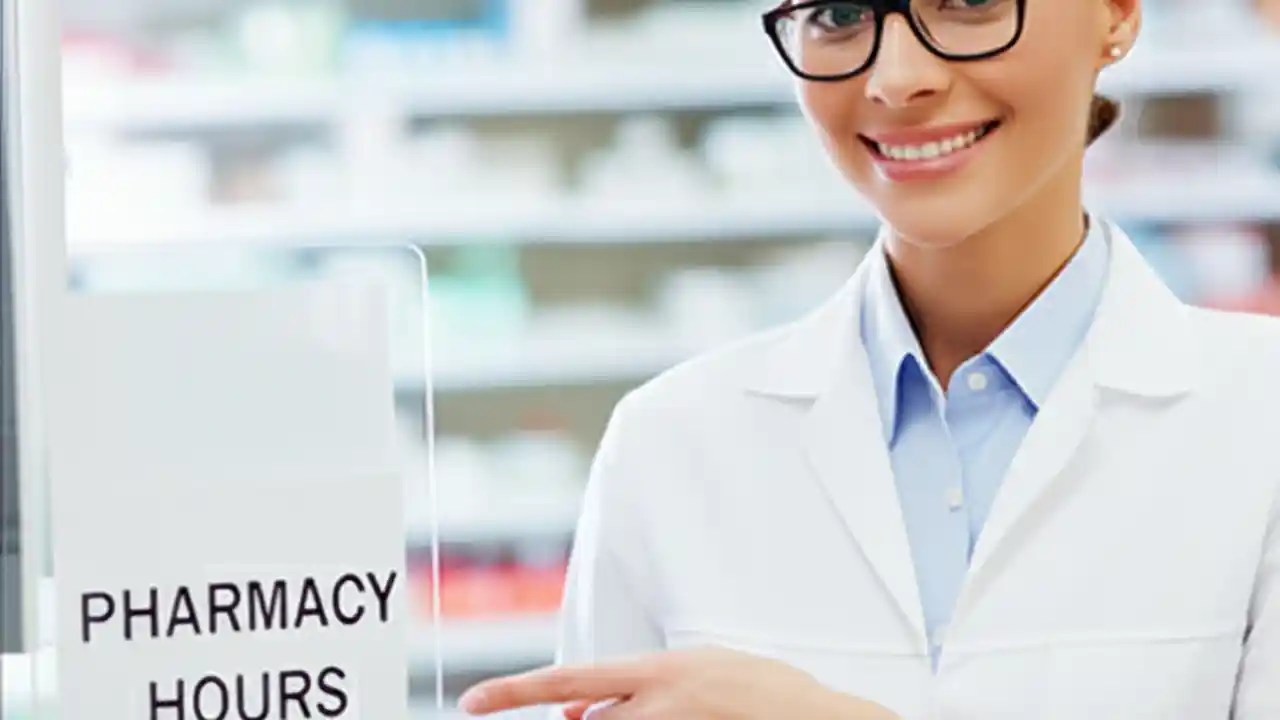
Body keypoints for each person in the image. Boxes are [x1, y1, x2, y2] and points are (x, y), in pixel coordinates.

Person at [463, 0, 1280, 716]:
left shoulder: (1261, 420)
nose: (897, 79)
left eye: (969, 1)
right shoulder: (665, 443)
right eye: (839, 14)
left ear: (1117, 12)